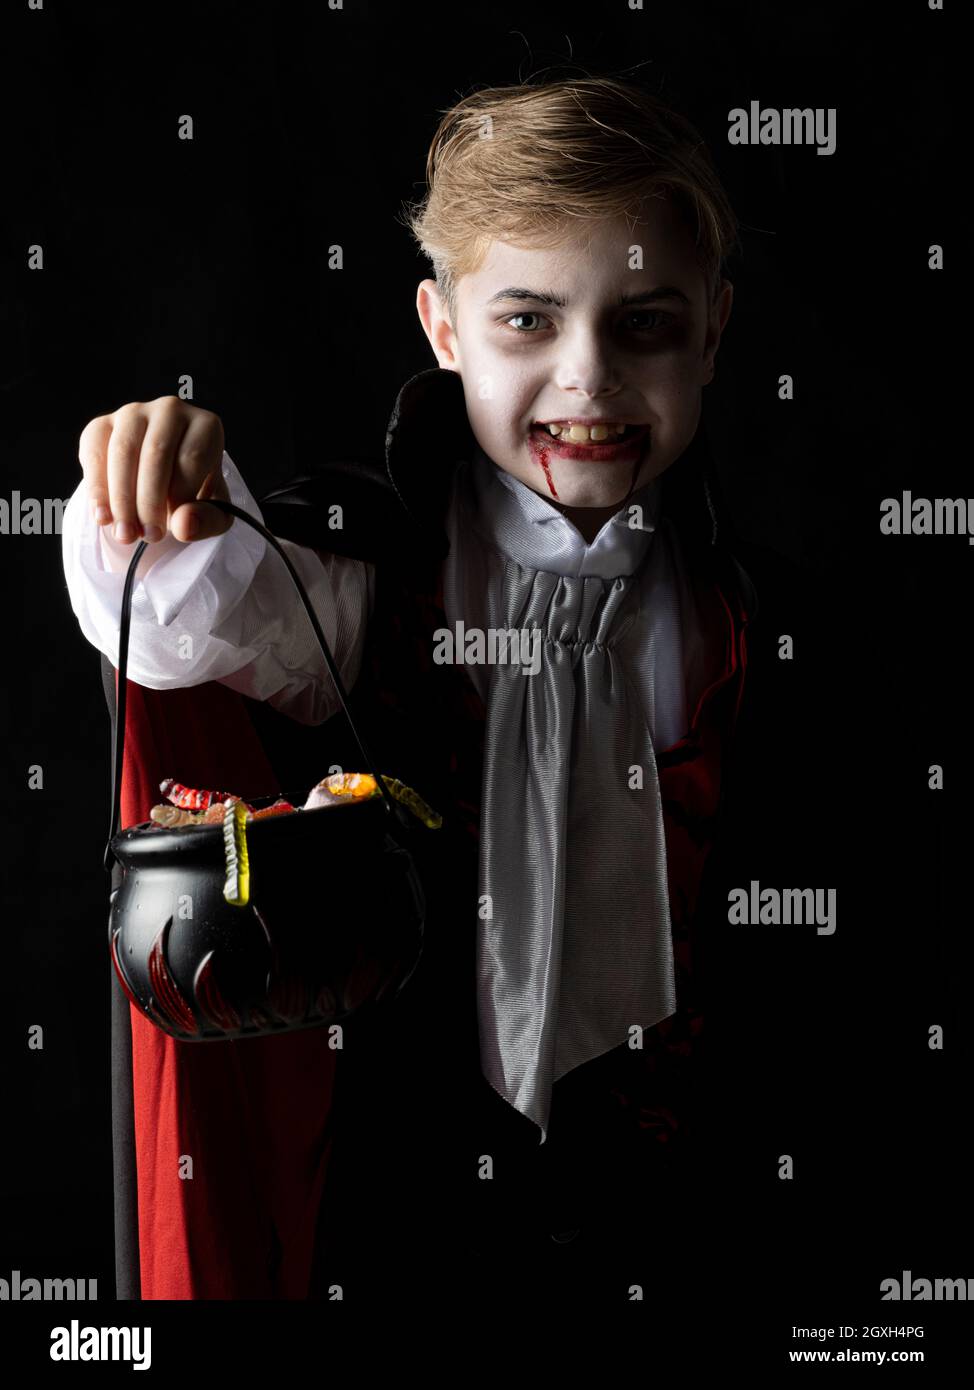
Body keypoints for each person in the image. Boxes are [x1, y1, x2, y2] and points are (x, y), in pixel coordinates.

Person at [62, 75, 826, 1305]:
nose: (587, 379)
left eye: (643, 324)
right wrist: (148, 488)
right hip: (410, 1227)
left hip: (694, 1229)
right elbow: (179, 614)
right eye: (527, 320)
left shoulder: (757, 620)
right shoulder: (361, 579)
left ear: (712, 331)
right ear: (443, 327)